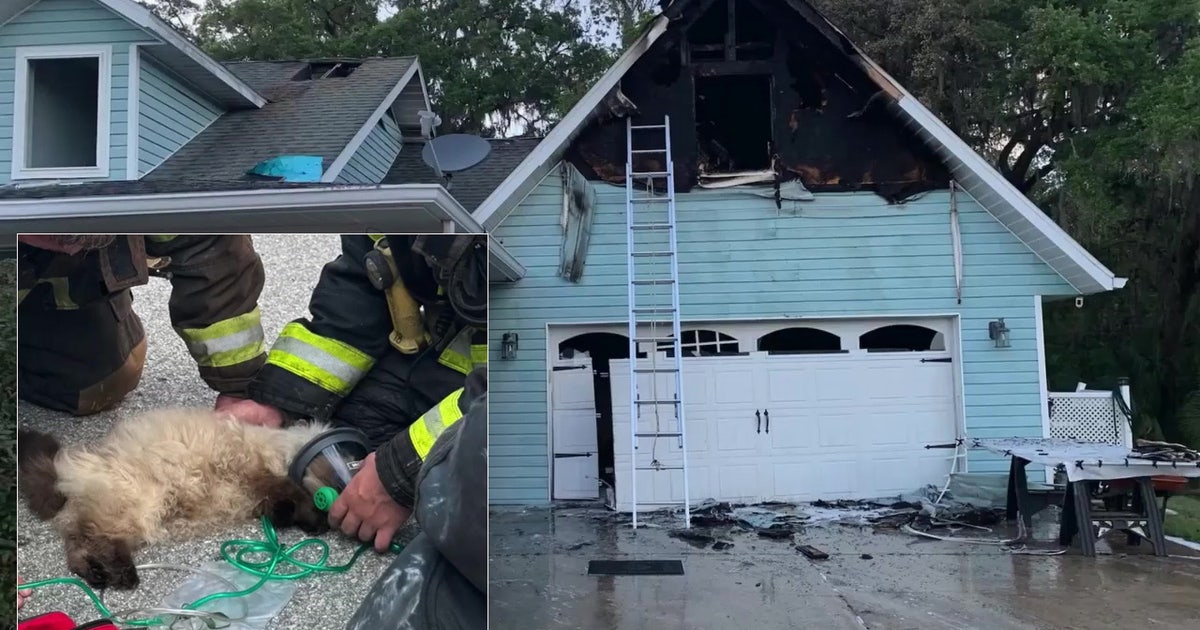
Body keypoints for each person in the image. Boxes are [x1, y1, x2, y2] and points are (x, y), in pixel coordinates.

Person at [220, 234, 488, 556]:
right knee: (349, 435)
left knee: (474, 520)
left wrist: (399, 475)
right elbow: (359, 289)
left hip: (515, 392)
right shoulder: (398, 205)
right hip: (456, 352)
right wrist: (280, 400)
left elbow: (521, 392)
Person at [17, 235, 267, 416]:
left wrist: (239, 387)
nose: (71, 249)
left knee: (95, 383)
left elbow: (211, 255)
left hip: (48, 269)